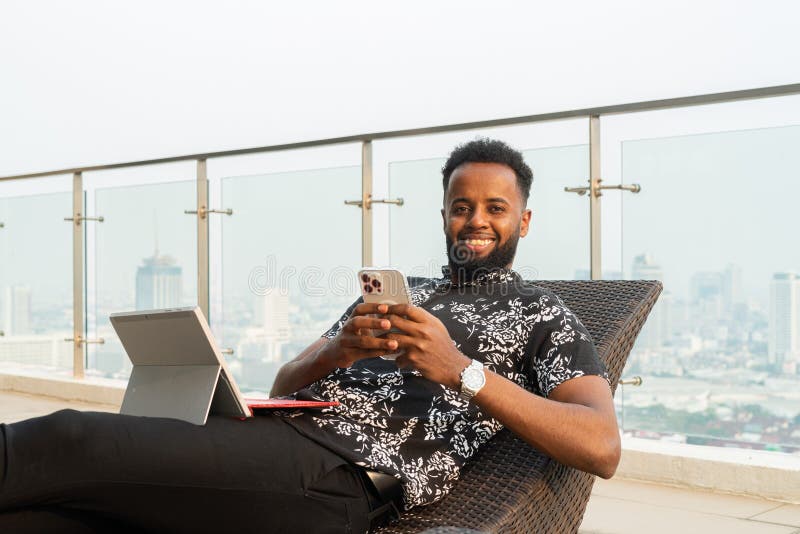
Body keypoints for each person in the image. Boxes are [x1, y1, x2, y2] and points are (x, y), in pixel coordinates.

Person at [0, 138, 619, 533]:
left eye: (495, 208)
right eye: (462, 206)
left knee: (69, 436)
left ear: (524, 221)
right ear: (444, 215)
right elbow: (284, 382)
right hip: (271, 439)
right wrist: (340, 347)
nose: (476, 220)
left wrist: (462, 369)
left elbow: (602, 446)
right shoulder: (398, 293)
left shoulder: (546, 314)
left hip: (337, 474)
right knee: (46, 517)